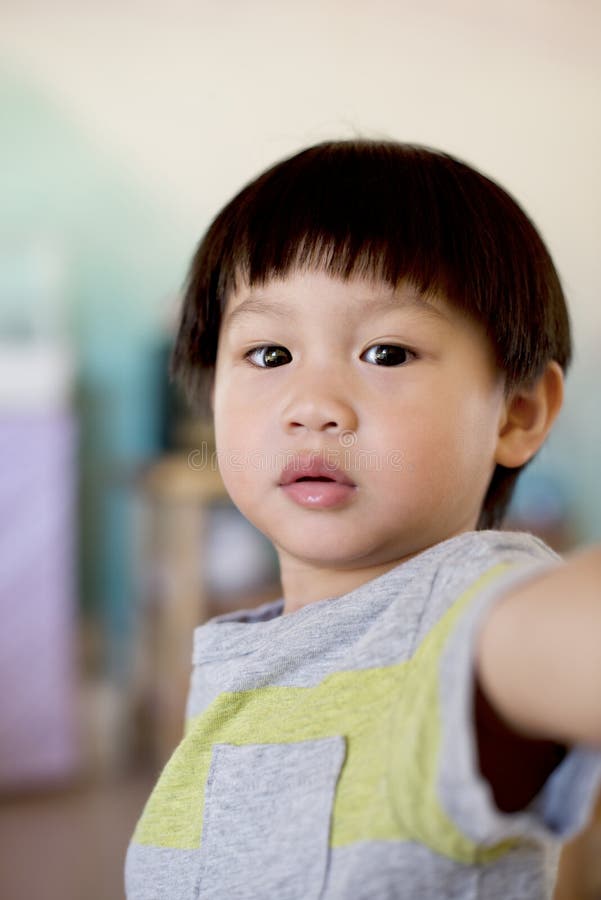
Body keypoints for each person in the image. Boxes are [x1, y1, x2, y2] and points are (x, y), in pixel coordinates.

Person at [125, 140, 601, 899]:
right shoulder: (241, 660)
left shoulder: (463, 624)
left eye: (385, 351)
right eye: (269, 354)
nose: (312, 405)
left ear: (516, 412)